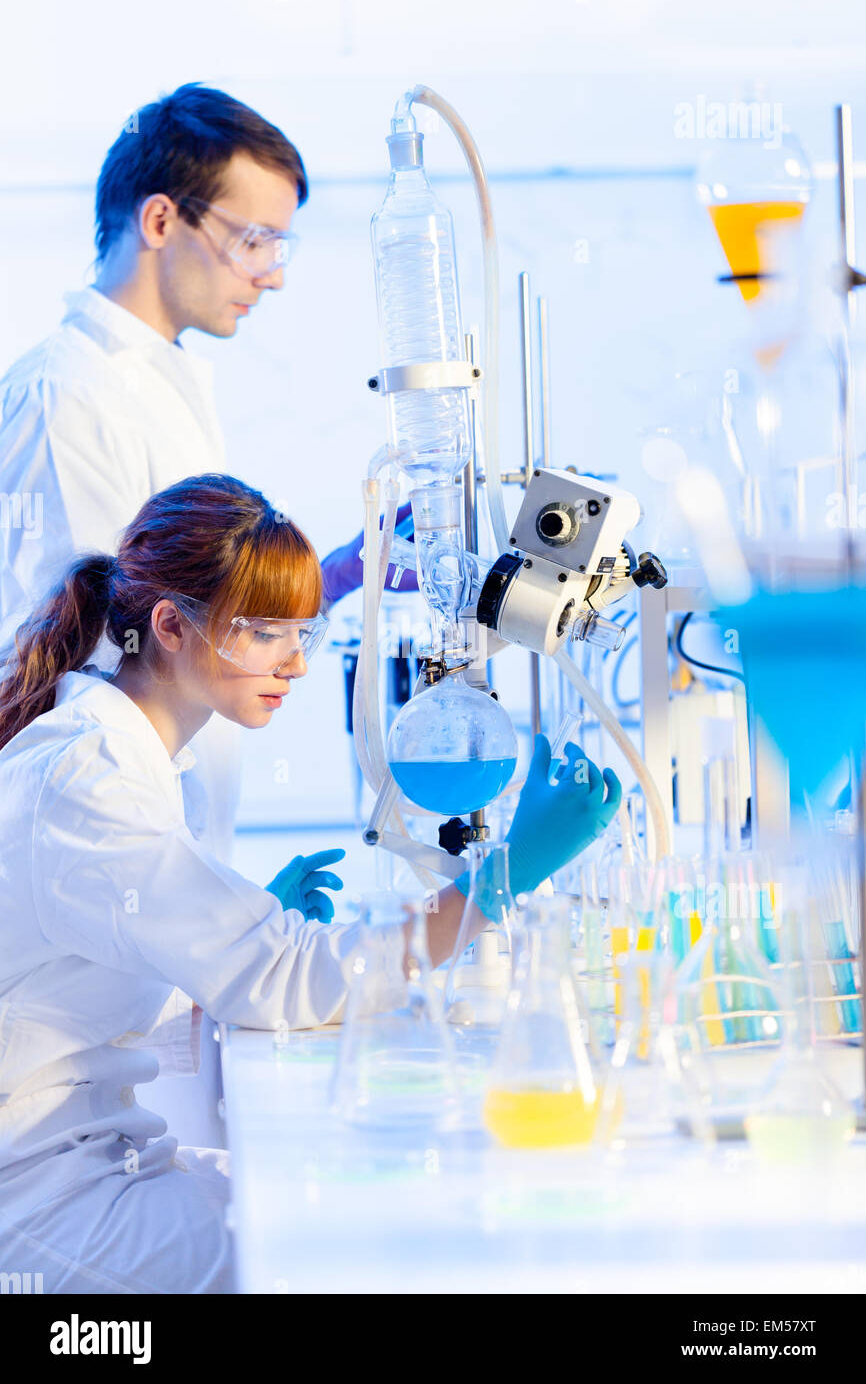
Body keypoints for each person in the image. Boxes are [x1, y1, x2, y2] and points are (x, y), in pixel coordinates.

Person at [0, 473, 621, 1294]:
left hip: (92, 1157)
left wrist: (241, 918)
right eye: (266, 633)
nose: (295, 661)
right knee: (329, 1262)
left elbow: (69, 974)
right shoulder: (91, 776)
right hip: (40, 1198)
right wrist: (507, 872)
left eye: (305, 629)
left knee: (338, 1212)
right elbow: (283, 978)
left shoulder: (112, 745)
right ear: (170, 627)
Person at [0, 82, 414, 1147]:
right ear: (159, 221)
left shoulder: (159, 379)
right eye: (254, 239)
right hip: (80, 977)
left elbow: (181, 608)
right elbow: (115, 641)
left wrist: (341, 571)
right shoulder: (69, 395)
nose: (272, 271)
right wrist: (210, 921)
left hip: (140, 932)